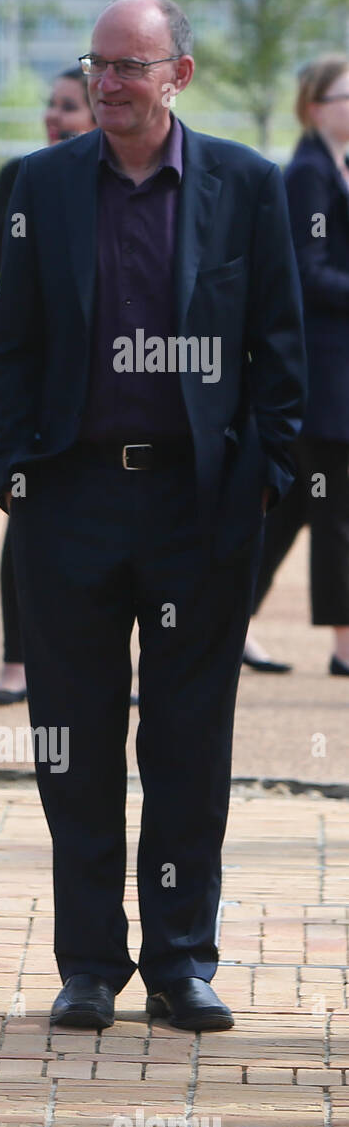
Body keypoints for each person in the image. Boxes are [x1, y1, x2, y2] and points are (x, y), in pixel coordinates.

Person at [0, 0, 304, 1033]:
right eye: (97, 66)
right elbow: (12, 351)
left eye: (131, 66)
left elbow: (277, 351)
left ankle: (177, 961)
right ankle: (87, 964)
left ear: (180, 74)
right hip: (68, 503)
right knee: (70, 741)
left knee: (184, 742)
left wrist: (260, 476)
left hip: (194, 506)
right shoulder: (40, 185)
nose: (108, 84)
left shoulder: (246, 186)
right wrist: (16, 473)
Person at [0, 68, 96, 706]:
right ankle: (16, 663)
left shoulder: (117, 182)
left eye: (69, 107)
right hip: (35, 370)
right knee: (26, 513)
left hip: (104, 377)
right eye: (52, 103)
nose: (54, 115)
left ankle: (104, 665)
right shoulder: (26, 175)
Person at [242, 54, 349, 676]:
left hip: (333, 370)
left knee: (297, 508)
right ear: (314, 106)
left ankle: (231, 619)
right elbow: (306, 273)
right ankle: (342, 645)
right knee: (331, 507)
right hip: (322, 371)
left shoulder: (333, 168)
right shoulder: (308, 173)